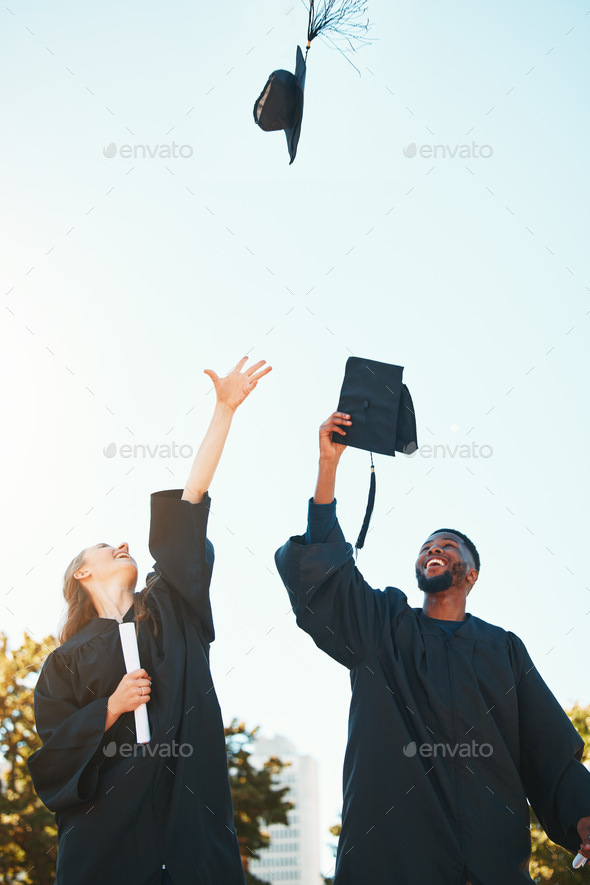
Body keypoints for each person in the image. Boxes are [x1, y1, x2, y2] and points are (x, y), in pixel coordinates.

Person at [274, 410, 590, 885]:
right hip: (393, 860)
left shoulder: (503, 650)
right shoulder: (383, 629)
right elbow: (327, 576)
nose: (432, 550)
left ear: (472, 573)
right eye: (425, 547)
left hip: (491, 861)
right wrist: (329, 466)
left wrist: (584, 818)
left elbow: (547, 750)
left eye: (446, 545)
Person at [28, 356, 272, 885]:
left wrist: (224, 412)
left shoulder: (170, 609)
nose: (121, 544)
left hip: (191, 830)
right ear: (82, 576)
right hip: (107, 844)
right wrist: (109, 709)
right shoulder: (63, 664)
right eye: (103, 547)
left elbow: (188, 505)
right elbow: (52, 763)